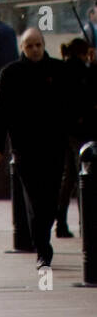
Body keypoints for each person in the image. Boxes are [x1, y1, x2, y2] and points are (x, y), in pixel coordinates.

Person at [0, 27, 71, 268]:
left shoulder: (59, 70)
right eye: (29, 46)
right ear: (22, 48)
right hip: (25, 149)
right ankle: (43, 249)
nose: (34, 50)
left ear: (44, 45)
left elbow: (72, 102)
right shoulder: (11, 74)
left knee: (51, 198)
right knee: (34, 200)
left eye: (38, 45)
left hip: (54, 147)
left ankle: (43, 237)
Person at [55, 38, 94, 239]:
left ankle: (61, 221)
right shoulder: (81, 71)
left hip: (64, 131)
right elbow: (90, 93)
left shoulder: (61, 69)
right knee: (84, 176)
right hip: (81, 131)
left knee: (69, 177)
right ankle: (86, 221)